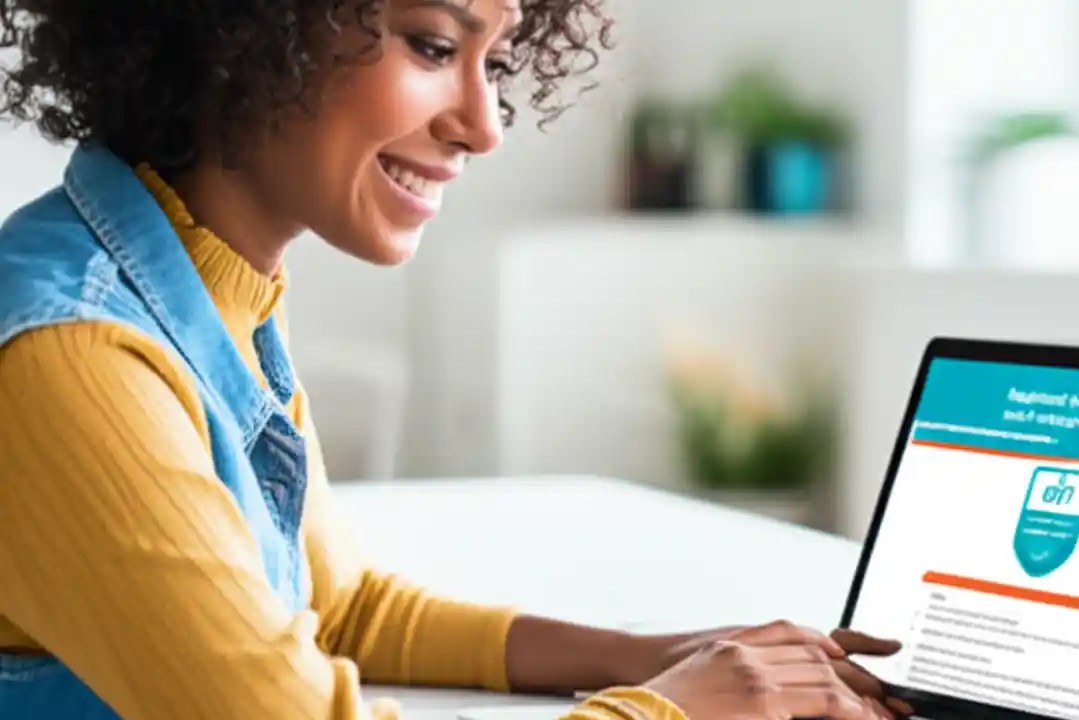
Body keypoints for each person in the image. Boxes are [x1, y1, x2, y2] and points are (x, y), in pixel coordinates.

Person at [0, 1, 910, 718]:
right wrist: (673, 710)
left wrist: (658, 657)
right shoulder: (74, 355)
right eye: (435, 47)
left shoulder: (199, 288)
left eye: (496, 64)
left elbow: (343, 610)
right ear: (245, 30)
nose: (483, 126)